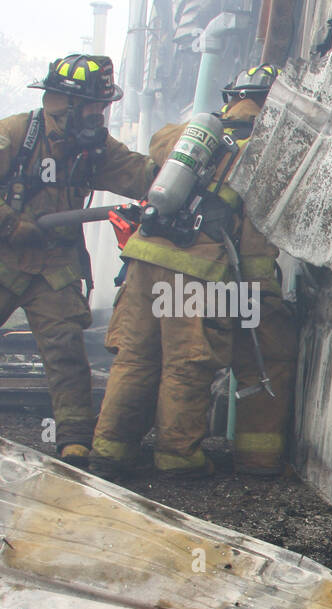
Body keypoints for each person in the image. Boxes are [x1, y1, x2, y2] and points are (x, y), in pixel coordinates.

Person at [91, 64, 297, 477]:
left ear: (233, 97)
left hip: (142, 259)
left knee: (137, 357)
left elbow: (154, 147)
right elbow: (255, 244)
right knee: (190, 360)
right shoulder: (264, 154)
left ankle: (111, 450)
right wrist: (260, 298)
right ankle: (179, 456)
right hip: (196, 271)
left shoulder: (191, 137)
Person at [0, 54, 155, 464]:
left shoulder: (94, 149)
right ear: (63, 103)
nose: (99, 115)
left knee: (66, 354)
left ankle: (73, 443)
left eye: (102, 106)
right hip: (5, 259)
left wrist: (185, 170)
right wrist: (12, 225)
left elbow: (142, 174)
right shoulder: (15, 134)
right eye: (93, 105)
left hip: (54, 268)